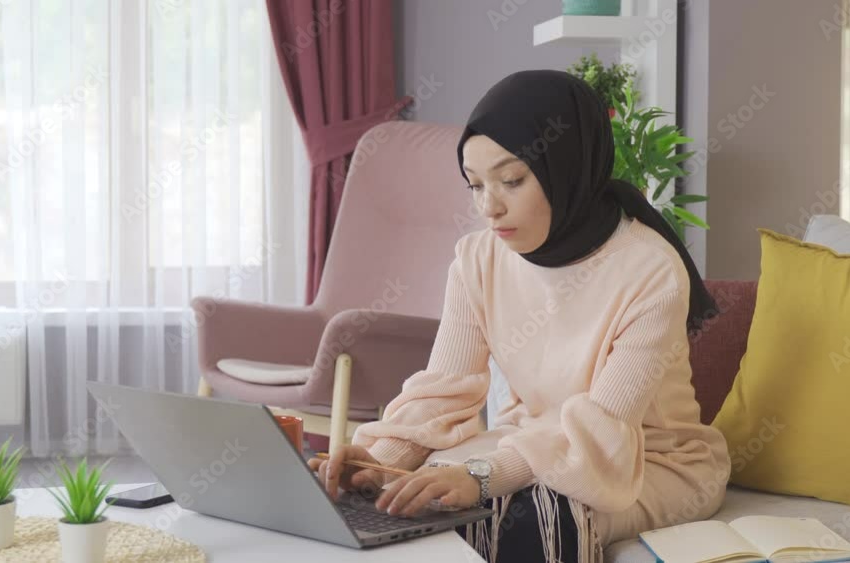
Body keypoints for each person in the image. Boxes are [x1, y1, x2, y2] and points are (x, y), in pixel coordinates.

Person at [307, 69, 731, 563]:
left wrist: (481, 477)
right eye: (475, 185)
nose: (489, 207)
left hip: (640, 461)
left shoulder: (651, 270)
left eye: (511, 181)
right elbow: (444, 390)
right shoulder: (477, 259)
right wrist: (383, 463)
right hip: (530, 444)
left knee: (533, 520)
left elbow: (603, 428)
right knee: (392, 498)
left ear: (566, 166)